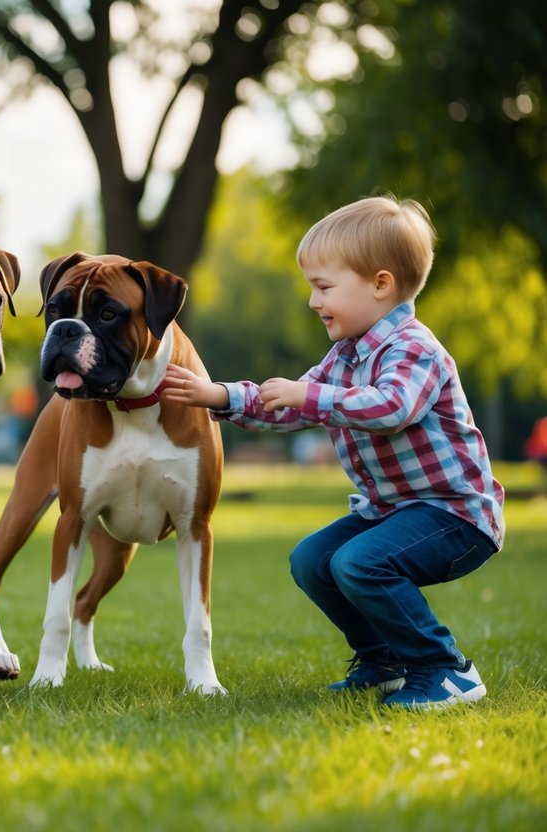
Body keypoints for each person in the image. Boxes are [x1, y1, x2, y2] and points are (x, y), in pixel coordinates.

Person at [163, 195, 504, 710]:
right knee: (313, 560)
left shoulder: (415, 348)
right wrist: (220, 396)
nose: (313, 301)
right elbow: (289, 407)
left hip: (455, 515)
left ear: (380, 284)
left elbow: (392, 407)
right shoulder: (343, 357)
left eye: (323, 287)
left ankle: (446, 670)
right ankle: (384, 663)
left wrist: (310, 395)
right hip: (393, 511)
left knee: (360, 562)